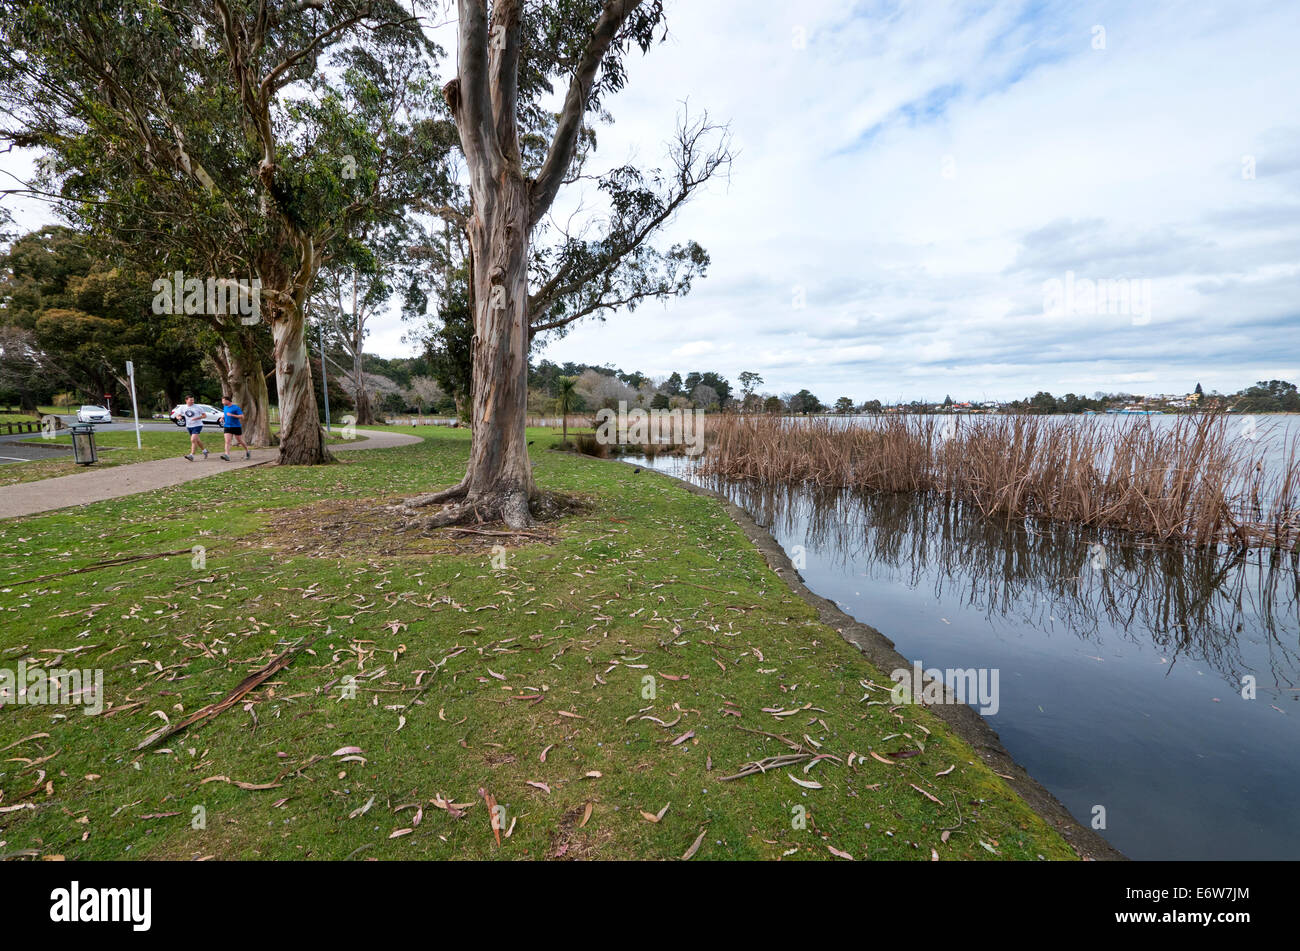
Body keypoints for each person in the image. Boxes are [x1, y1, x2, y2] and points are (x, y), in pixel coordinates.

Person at [219, 396, 250, 461]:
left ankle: (247, 451)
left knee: (239, 440)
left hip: (236, 427)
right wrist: (222, 418)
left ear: (228, 401)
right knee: (227, 441)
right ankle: (227, 455)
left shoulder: (236, 408)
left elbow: (242, 416)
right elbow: (225, 414)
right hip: (227, 426)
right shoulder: (225, 407)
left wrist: (232, 415)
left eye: (223, 401)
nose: (222, 402)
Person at [180, 396, 208, 461]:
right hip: (189, 426)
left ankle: (191, 455)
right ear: (186, 400)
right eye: (191, 400)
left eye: (193, 400)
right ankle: (204, 450)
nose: (192, 401)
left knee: (193, 440)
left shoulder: (198, 407)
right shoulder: (183, 407)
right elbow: (178, 414)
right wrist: (178, 417)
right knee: (197, 440)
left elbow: (204, 415)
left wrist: (197, 418)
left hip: (197, 425)